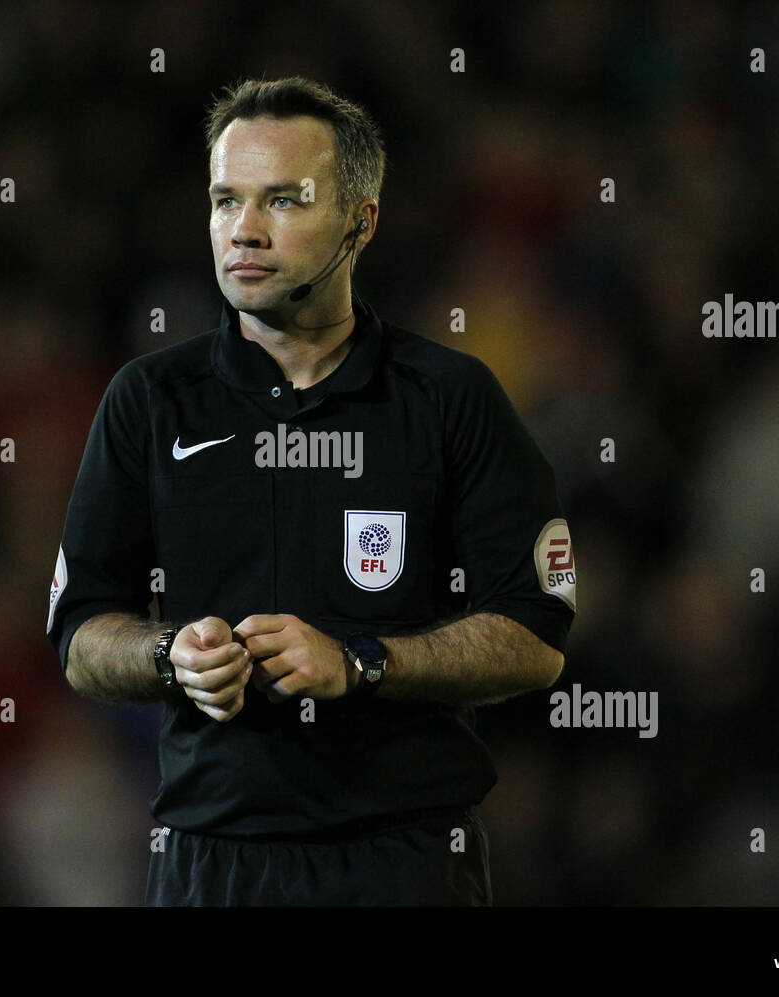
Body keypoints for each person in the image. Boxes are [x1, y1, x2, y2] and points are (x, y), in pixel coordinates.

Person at [47, 76, 577, 906]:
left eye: (283, 200)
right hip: (211, 863)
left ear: (361, 221)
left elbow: (535, 637)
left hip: (403, 861)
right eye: (226, 200)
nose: (244, 229)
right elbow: (81, 635)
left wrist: (362, 662)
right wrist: (168, 654)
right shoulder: (148, 401)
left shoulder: (451, 399)